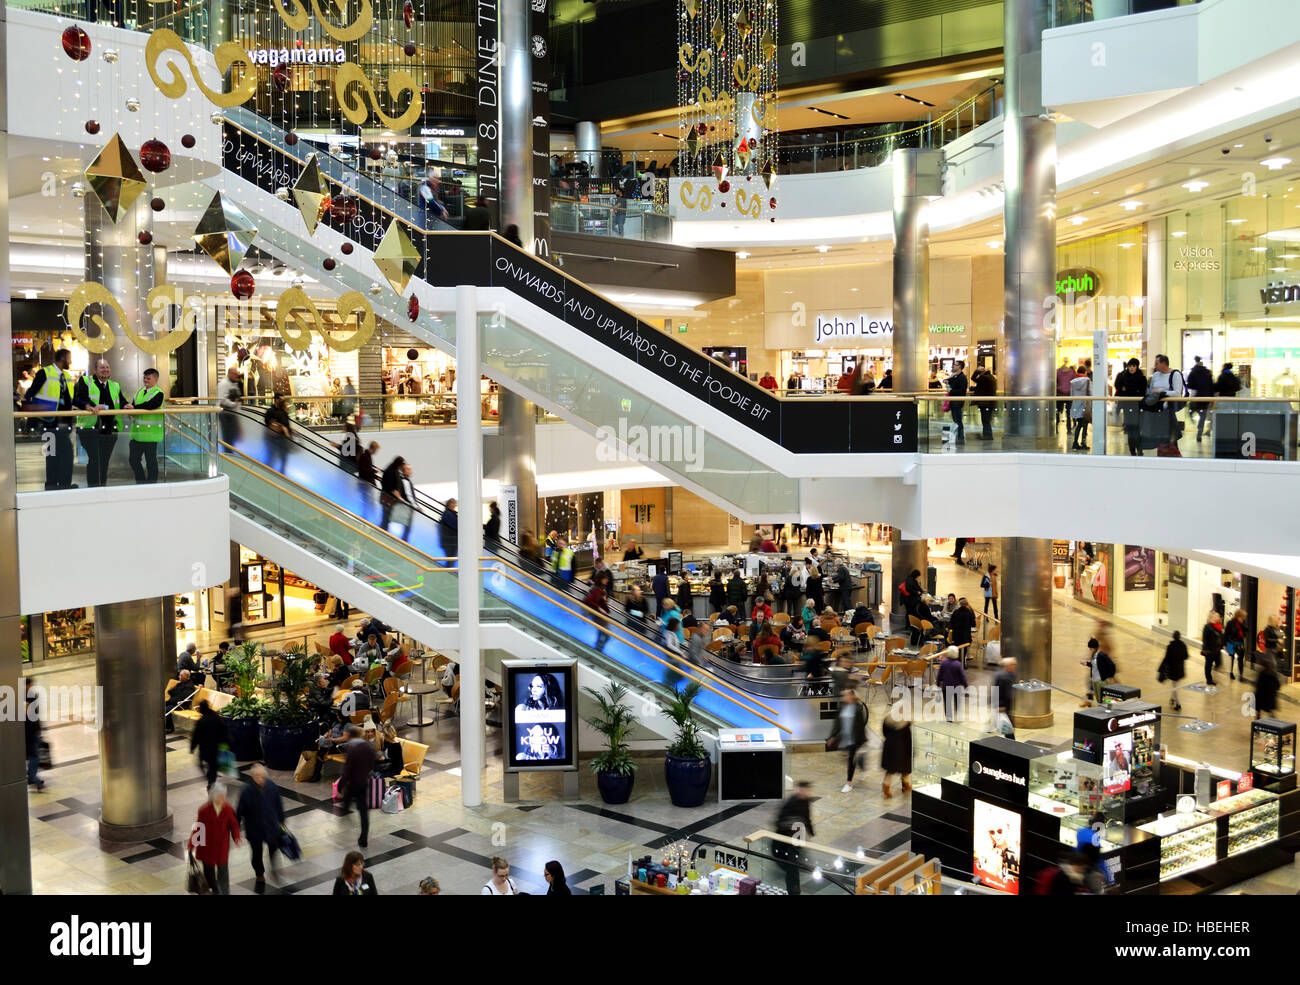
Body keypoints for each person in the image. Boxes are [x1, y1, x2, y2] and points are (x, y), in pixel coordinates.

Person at [24, 348, 77, 489]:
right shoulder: (45, 372)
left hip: (64, 422)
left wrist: (87, 406)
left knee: (53, 454)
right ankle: (63, 485)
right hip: (49, 423)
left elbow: (71, 398)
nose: (71, 361)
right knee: (65, 453)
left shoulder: (66, 376)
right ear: (62, 359)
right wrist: (35, 414)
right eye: (69, 358)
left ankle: (52, 485)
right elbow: (30, 393)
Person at [74, 358, 128, 487]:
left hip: (110, 429)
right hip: (90, 429)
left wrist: (127, 405)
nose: (105, 370)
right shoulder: (85, 381)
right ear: (95, 370)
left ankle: (102, 486)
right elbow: (78, 399)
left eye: (107, 367)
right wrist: (92, 406)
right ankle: (93, 488)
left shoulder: (115, 385)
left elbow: (121, 401)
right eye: (102, 367)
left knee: (104, 461)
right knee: (95, 459)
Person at [236, 764, 287, 892]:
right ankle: (259, 874)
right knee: (256, 853)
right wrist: (235, 828)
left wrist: (281, 821)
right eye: (257, 776)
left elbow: (278, 804)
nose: (260, 779)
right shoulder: (246, 791)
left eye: (263, 776)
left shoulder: (271, 787)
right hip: (254, 829)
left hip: (271, 826)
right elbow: (239, 811)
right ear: (253, 777)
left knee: (273, 848)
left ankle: (274, 867)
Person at [188, 784, 240, 895]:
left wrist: (236, 836)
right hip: (208, 847)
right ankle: (214, 890)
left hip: (222, 847)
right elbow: (198, 828)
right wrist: (191, 844)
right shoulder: (204, 810)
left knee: (223, 871)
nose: (223, 798)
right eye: (220, 796)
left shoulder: (228, 809)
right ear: (214, 796)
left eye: (224, 796)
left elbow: (234, 824)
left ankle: (224, 892)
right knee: (209, 873)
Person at [338, 724, 377, 847]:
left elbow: (347, 770)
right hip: (364, 782)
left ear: (350, 735)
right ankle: (363, 837)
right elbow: (372, 763)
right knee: (363, 811)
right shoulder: (368, 746)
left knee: (348, 795)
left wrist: (339, 786)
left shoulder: (351, 748)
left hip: (353, 782)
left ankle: (344, 809)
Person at [774, 781, 815, 894]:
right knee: (791, 866)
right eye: (802, 790)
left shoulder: (805, 802)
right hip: (786, 839)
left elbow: (807, 818)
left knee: (793, 864)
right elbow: (779, 822)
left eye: (806, 791)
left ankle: (794, 890)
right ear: (798, 790)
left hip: (796, 838)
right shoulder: (791, 803)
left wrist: (811, 832)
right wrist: (792, 826)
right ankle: (793, 890)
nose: (804, 793)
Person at [827, 687, 868, 793]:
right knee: (852, 758)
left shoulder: (858, 708)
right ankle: (861, 766)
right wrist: (832, 736)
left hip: (854, 739)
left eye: (845, 695)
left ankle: (849, 784)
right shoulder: (842, 707)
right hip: (845, 738)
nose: (843, 696)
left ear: (851, 696)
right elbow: (837, 723)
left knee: (851, 759)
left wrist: (860, 740)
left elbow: (861, 726)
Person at [1146, 353, 1187, 453]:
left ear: (1163, 363)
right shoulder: (1156, 375)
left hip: (1168, 411)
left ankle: (1174, 458)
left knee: (1171, 441)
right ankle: (1162, 457)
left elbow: (1177, 393)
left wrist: (1161, 393)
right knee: (1160, 441)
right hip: (1156, 412)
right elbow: (1151, 390)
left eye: (1157, 363)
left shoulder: (1175, 374)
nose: (1155, 366)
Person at [190, 699, 227, 790]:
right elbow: (224, 730)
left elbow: (196, 735)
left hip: (204, 748)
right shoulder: (216, 717)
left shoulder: (201, 721)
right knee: (212, 766)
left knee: (202, 763)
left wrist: (192, 747)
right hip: (215, 747)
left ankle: (209, 778)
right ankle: (211, 780)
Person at [1114, 358, 1148, 455]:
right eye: (1130, 366)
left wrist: (1127, 390)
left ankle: (1139, 449)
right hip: (1127, 406)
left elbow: (1142, 393)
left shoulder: (1141, 378)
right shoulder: (1123, 376)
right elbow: (1119, 389)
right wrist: (1131, 391)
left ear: (1137, 367)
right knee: (1130, 430)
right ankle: (1132, 451)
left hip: (1138, 407)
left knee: (1137, 430)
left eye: (1134, 366)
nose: (1131, 368)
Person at [880, 704, 912, 798]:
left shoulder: (887, 719)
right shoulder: (905, 722)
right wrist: (910, 751)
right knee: (905, 769)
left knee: (890, 770)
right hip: (902, 749)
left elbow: (884, 732)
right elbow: (908, 738)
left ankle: (886, 787)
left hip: (889, 746)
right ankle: (906, 785)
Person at [380, 456, 416, 540]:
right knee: (386, 520)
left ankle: (382, 535)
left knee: (386, 520)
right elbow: (392, 488)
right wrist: (401, 498)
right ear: (399, 465)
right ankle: (382, 536)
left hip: (388, 499)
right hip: (388, 499)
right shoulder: (392, 472)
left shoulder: (393, 471)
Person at [1157, 631, 1188, 711]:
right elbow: (1186, 656)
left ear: (1173, 637)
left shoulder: (1170, 646)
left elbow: (1166, 658)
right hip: (1180, 669)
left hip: (1173, 670)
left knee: (1175, 687)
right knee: (1175, 685)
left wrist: (1161, 668)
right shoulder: (1183, 645)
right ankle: (1172, 699)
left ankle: (1178, 704)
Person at [1186, 355, 1214, 442]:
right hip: (1205, 398)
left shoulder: (1193, 372)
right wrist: (1211, 398)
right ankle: (1199, 433)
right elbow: (1211, 386)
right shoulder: (1207, 373)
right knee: (1202, 416)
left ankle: (1194, 423)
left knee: (1190, 411)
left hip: (1195, 397)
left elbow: (1189, 385)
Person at [936, 646, 968, 721]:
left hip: (946, 686)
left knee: (947, 703)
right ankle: (958, 714)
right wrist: (966, 686)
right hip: (956, 686)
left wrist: (938, 683)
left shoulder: (944, 662)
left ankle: (949, 718)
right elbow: (962, 676)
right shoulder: (958, 664)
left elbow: (940, 674)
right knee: (958, 701)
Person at [263, 393, 292, 475]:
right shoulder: (271, 411)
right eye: (282, 399)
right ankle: (267, 475)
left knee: (283, 459)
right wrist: (282, 427)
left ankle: (281, 475)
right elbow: (269, 423)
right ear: (276, 400)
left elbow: (285, 422)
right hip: (274, 439)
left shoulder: (283, 410)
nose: (284, 401)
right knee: (272, 458)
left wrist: (289, 429)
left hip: (282, 439)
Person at [1082, 637, 1116, 704]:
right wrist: (1086, 663)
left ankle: (1109, 704)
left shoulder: (1101, 654)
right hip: (1094, 679)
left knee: (1103, 698)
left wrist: (1110, 675)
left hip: (1101, 680)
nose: (1090, 650)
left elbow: (1112, 665)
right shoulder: (1094, 655)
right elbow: (1094, 665)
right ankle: (1095, 704)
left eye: (1091, 648)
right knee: (1098, 698)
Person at [217, 365, 243, 448]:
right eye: (235, 374)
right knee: (228, 437)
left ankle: (230, 452)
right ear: (230, 374)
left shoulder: (234, 384)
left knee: (233, 437)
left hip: (232, 414)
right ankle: (228, 452)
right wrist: (233, 404)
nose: (237, 376)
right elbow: (222, 399)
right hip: (226, 414)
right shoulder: (223, 384)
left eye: (237, 374)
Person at [25, 680, 44, 791]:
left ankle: (32, 777)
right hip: (30, 731)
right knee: (34, 756)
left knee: (32, 755)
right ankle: (33, 778)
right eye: (30, 685)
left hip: (32, 730)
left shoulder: (31, 696)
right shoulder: (27, 698)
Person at [993, 657, 1017, 739]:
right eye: (1012, 664)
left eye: (1014, 664)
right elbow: (997, 691)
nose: (1014, 666)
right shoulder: (1002, 676)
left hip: (1007, 705)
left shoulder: (1011, 674)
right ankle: (1011, 743)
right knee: (1008, 728)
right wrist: (1000, 705)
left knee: (1007, 726)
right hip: (1003, 706)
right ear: (1007, 666)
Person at [1069, 365, 1092, 450]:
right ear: (1085, 372)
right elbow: (1091, 393)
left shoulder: (1073, 382)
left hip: (1076, 405)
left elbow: (1071, 395)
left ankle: (1075, 443)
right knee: (1085, 425)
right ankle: (1083, 443)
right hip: (1085, 405)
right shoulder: (1087, 381)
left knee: (1079, 425)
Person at [972, 363, 997, 440]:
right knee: (987, 420)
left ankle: (987, 436)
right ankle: (988, 435)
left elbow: (973, 378)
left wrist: (976, 371)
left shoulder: (984, 377)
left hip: (985, 403)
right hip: (990, 402)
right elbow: (983, 387)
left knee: (985, 420)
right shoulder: (990, 377)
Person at [946, 360, 968, 442]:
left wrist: (951, 391)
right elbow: (949, 380)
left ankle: (960, 437)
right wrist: (947, 380)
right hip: (954, 401)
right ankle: (959, 436)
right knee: (956, 420)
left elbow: (962, 390)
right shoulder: (956, 376)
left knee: (958, 420)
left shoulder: (962, 377)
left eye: (955, 365)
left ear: (959, 366)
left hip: (958, 401)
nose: (953, 366)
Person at [1201, 611, 1224, 687]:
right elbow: (1205, 639)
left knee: (1219, 663)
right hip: (1210, 650)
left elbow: (1221, 637)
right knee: (1208, 666)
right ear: (1213, 617)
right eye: (1217, 616)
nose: (1219, 617)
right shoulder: (1207, 627)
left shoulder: (1219, 626)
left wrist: (1223, 645)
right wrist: (1205, 649)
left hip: (1217, 650)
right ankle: (1209, 680)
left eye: (1219, 616)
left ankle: (1213, 673)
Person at [1255, 651, 1280, 719]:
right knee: (1269, 713)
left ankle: (1261, 720)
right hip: (1267, 698)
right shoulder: (1271, 675)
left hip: (1265, 698)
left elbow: (1258, 686)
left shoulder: (1263, 674)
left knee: (1264, 713)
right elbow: (1277, 686)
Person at [1224, 608, 1247, 681]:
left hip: (1240, 643)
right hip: (1231, 643)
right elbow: (1226, 634)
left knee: (1240, 659)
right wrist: (1224, 644)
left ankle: (1241, 675)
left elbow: (1246, 632)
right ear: (1238, 616)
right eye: (1242, 617)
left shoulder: (1243, 623)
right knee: (1231, 658)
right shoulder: (1230, 623)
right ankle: (1231, 673)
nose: (1243, 618)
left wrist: (1242, 625)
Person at [1056, 356, 1076, 431]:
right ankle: (1068, 429)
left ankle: (1056, 428)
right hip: (1068, 395)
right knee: (1068, 413)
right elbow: (1074, 383)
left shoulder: (1058, 371)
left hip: (1060, 394)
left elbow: (1055, 382)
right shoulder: (1072, 372)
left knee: (1058, 412)